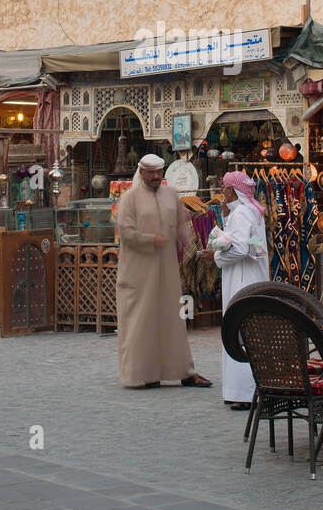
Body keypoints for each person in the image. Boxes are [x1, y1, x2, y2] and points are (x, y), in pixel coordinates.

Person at [115, 153, 210, 389]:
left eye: (159, 172)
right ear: (142, 173)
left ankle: (184, 372)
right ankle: (144, 374)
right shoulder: (130, 199)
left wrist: (188, 243)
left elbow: (182, 225)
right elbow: (125, 233)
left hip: (167, 270)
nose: (156, 177)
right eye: (151, 173)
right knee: (142, 321)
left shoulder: (170, 195)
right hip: (139, 271)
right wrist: (150, 239)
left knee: (172, 319)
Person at [211, 170, 269, 409]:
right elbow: (255, 243)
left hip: (242, 279)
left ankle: (244, 392)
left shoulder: (243, 213)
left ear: (231, 191)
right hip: (251, 275)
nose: (222, 194)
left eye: (225, 189)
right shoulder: (251, 212)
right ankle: (249, 388)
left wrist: (216, 256)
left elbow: (240, 249)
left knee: (239, 330)